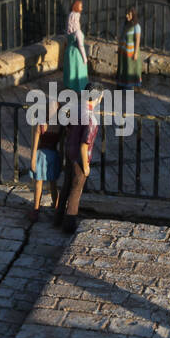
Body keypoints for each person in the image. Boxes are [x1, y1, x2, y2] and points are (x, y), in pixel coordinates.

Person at [54, 83, 101, 234]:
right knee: (76, 191)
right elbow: (84, 145)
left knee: (66, 186)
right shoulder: (91, 119)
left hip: (69, 152)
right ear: (98, 98)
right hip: (79, 160)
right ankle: (69, 223)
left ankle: (58, 217)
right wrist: (86, 166)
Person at [28, 106, 62, 222]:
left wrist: (33, 160)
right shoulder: (57, 125)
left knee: (45, 183)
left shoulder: (44, 124)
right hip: (48, 156)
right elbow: (61, 145)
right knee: (46, 183)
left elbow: (35, 145)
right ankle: (46, 207)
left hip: (45, 156)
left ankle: (43, 208)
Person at [62, 5, 88, 95]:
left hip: (69, 52)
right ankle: (79, 90)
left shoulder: (69, 31)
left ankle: (69, 89)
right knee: (78, 72)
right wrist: (85, 58)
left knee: (70, 71)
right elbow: (81, 45)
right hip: (77, 54)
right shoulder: (78, 32)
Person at [116, 7, 142, 89]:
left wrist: (136, 53)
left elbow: (137, 40)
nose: (127, 16)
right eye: (126, 14)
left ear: (133, 15)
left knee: (130, 69)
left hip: (131, 52)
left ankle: (129, 87)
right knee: (123, 68)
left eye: (129, 14)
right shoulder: (125, 24)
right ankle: (121, 85)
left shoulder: (137, 27)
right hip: (123, 51)